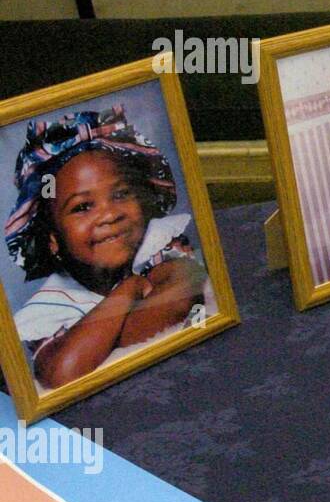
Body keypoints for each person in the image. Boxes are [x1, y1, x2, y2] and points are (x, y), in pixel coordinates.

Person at [5, 106, 211, 389]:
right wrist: (130, 289)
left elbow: (176, 299)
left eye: (120, 194)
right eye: (83, 206)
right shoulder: (48, 306)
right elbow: (62, 371)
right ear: (52, 239)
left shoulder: (157, 245)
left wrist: (93, 340)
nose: (109, 215)